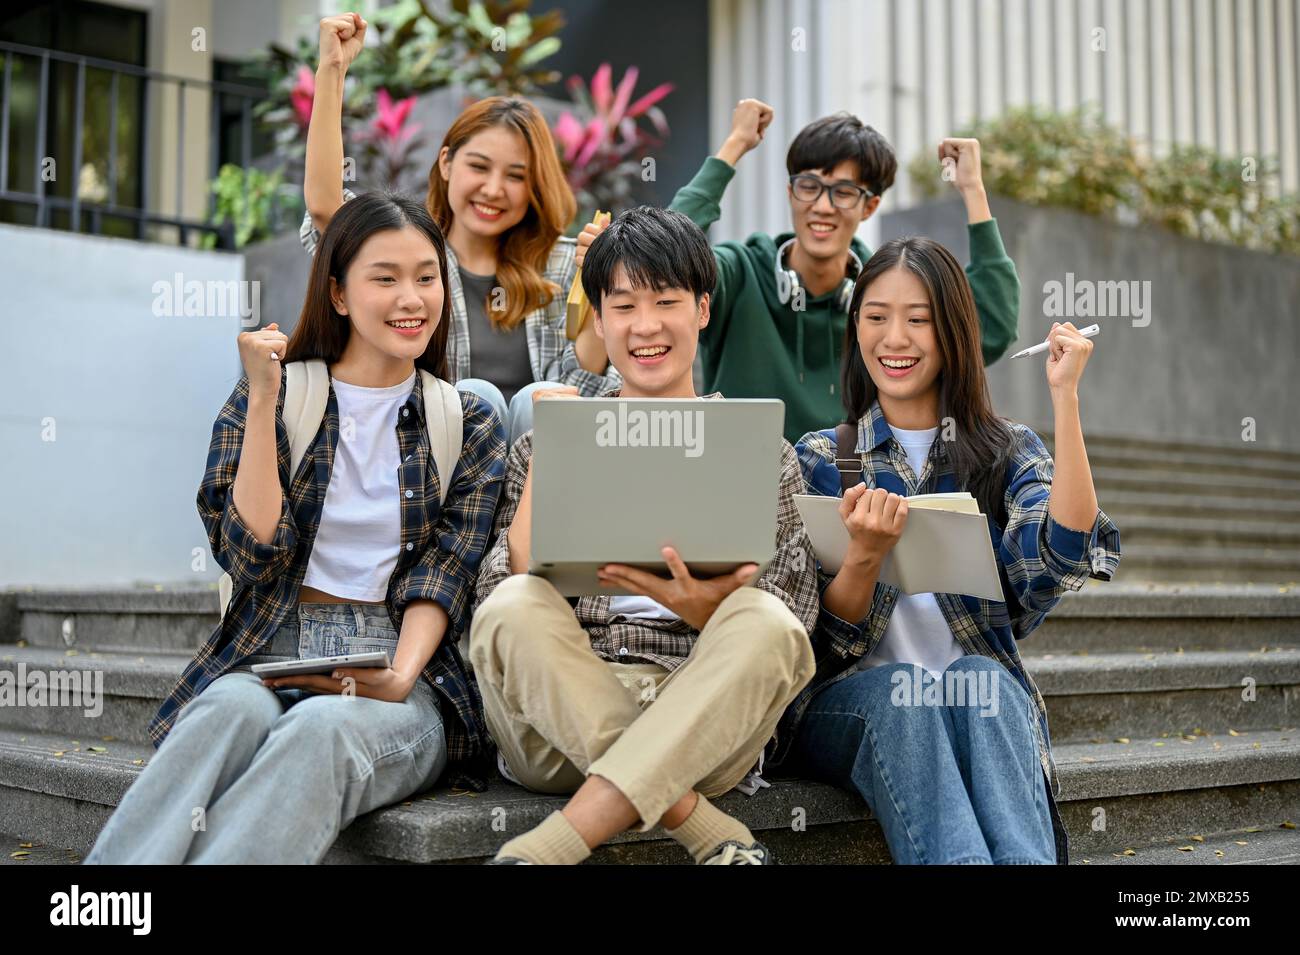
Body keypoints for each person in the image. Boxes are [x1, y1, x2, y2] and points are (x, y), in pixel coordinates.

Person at [85, 193, 505, 863]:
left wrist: (400, 672)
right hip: (270, 646)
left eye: (427, 276)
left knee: (322, 729)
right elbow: (252, 557)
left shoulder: (467, 423)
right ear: (338, 293)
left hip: (399, 664)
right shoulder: (281, 396)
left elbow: (446, 570)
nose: (412, 298)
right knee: (223, 714)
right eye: (385, 277)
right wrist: (261, 401)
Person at [471, 206, 819, 865]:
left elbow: (791, 623)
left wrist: (703, 608)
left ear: (703, 310)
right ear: (599, 321)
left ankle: (552, 846)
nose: (647, 325)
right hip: (555, 716)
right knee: (512, 607)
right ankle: (702, 828)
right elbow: (502, 591)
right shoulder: (542, 443)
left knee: (768, 622)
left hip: (702, 713)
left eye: (667, 301)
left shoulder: (761, 452)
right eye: (624, 306)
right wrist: (554, 452)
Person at [780, 235, 1120, 865]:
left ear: (954, 330)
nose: (894, 339)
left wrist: (1065, 398)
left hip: (969, 695)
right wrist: (862, 557)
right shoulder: (822, 459)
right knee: (899, 691)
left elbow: (1062, 558)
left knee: (986, 680)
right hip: (850, 704)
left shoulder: (1003, 450)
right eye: (876, 317)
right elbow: (805, 644)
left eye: (918, 319)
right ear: (856, 327)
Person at [578, 103, 1021, 442]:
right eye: (809, 186)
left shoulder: (882, 300)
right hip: (736, 481)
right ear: (791, 191)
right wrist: (733, 146)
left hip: (849, 496)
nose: (822, 206)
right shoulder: (740, 271)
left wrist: (974, 192)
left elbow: (991, 330)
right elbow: (662, 260)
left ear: (870, 206)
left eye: (844, 191)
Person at [302, 12, 620, 444]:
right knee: (474, 397)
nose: (493, 189)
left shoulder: (564, 263)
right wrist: (332, 70)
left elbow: (579, 386)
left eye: (515, 176)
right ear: (447, 163)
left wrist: (603, 284)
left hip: (538, 472)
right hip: (435, 470)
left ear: (534, 187)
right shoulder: (411, 251)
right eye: (479, 166)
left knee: (541, 398)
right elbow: (326, 208)